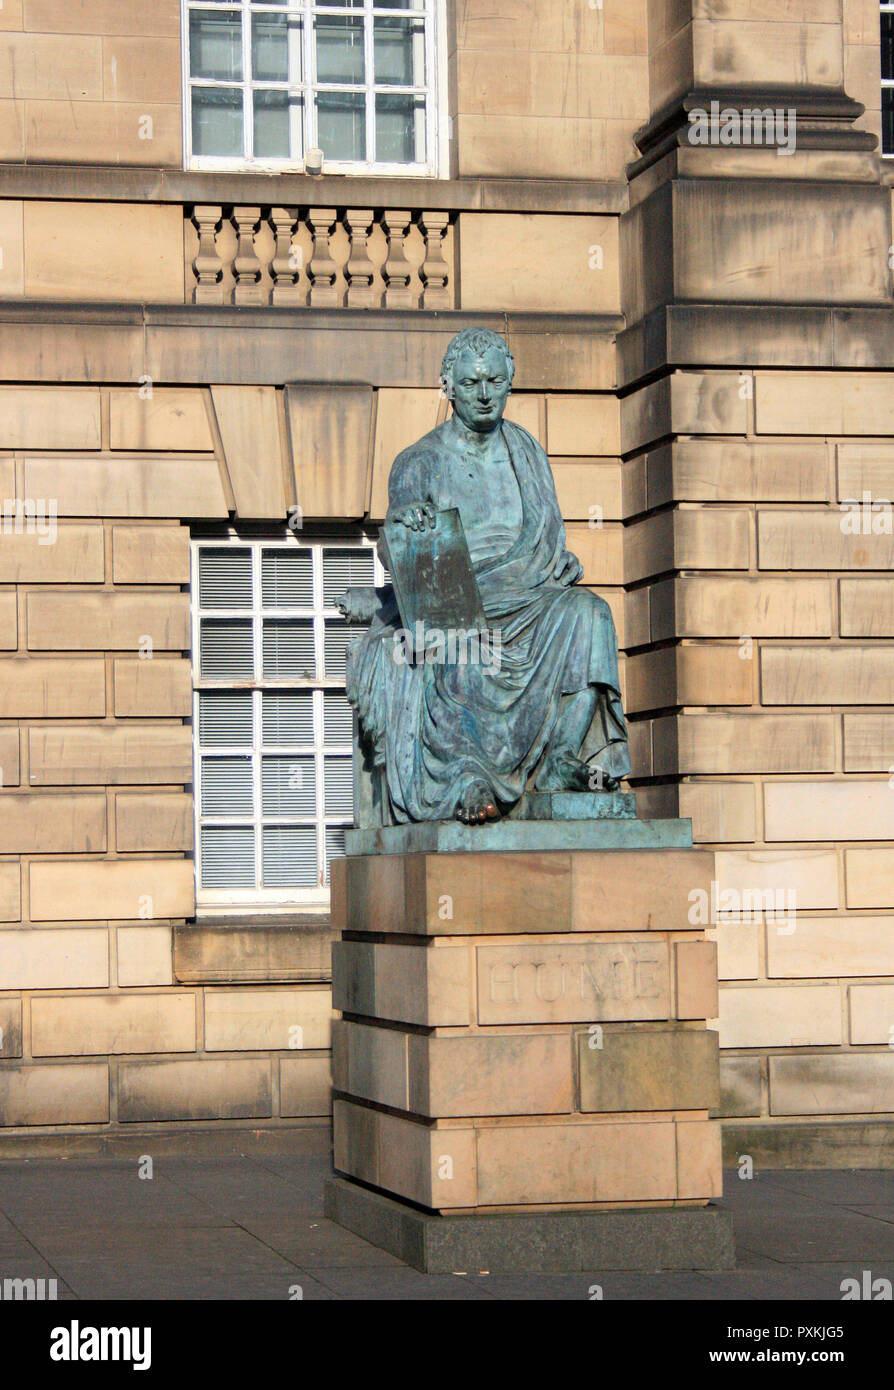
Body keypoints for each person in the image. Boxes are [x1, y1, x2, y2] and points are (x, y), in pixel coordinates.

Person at [341, 327, 630, 825]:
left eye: (494, 381)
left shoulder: (526, 451)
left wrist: (561, 563)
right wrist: (407, 523)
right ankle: (465, 775)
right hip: (462, 595)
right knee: (459, 646)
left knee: (591, 614)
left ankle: (562, 758)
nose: (483, 394)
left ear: (510, 381)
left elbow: (544, 537)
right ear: (447, 386)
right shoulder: (420, 461)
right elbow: (395, 545)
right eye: (471, 382)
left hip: (530, 595)